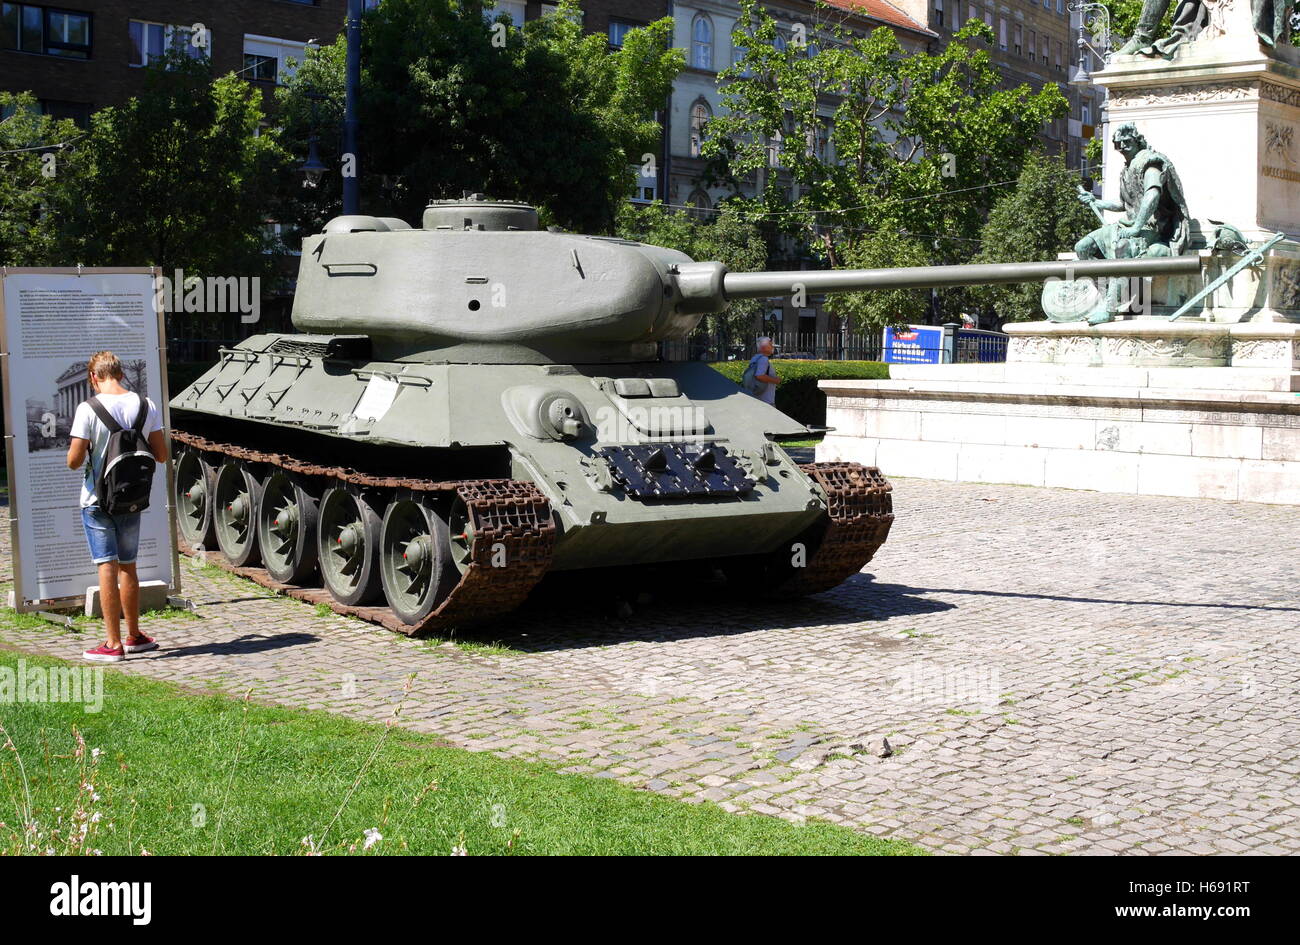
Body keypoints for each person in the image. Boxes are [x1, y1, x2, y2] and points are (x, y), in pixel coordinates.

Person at [66, 351, 168, 663]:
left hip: (97, 501)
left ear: (93, 378)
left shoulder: (88, 408)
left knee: (106, 567)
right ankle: (134, 635)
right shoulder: (145, 405)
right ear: (121, 374)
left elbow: (73, 462)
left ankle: (112, 644)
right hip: (131, 499)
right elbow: (161, 455)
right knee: (129, 566)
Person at [746, 336, 782, 405]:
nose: (772, 347)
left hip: (757, 398)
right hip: (766, 401)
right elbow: (759, 376)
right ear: (763, 347)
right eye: (770, 345)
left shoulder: (755, 358)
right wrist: (776, 380)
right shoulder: (763, 359)